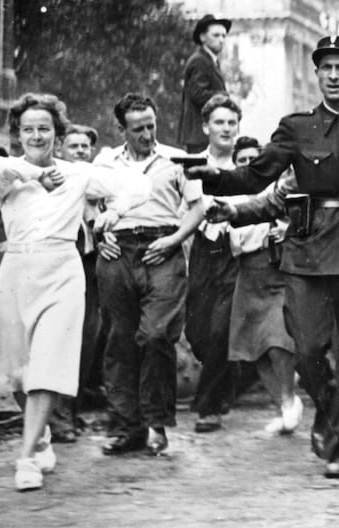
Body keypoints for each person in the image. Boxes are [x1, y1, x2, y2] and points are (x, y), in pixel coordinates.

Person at [187, 35, 339, 479]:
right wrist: (218, 179)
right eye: (325, 68)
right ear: (316, 74)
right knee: (306, 349)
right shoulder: (296, 127)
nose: (332, 76)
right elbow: (259, 173)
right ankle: (327, 415)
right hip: (308, 249)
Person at [0, 94, 150, 490]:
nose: (35, 135)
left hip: (62, 274)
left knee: (48, 364)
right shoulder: (7, 173)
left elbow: (138, 186)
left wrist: (113, 213)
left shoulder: (79, 174)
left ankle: (27, 457)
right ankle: (42, 435)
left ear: (57, 134)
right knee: (16, 375)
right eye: (27, 129)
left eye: (44, 128)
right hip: (16, 271)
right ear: (17, 134)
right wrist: (35, 176)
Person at [96, 93, 206, 459]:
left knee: (158, 335)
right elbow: (84, 201)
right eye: (138, 128)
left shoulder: (175, 159)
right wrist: (99, 235)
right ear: (121, 129)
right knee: (120, 340)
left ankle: (157, 423)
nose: (147, 134)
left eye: (151, 126)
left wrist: (174, 239)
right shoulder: (105, 161)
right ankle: (126, 428)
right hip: (117, 253)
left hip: (162, 249)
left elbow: (197, 207)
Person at [221, 135, 300, 435]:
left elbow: (302, 217)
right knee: (254, 348)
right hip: (246, 271)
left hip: (276, 268)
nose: (247, 165)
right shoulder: (228, 193)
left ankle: (290, 399)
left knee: (277, 339)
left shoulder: (276, 189)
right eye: (241, 161)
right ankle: (283, 405)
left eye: (252, 160)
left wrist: (287, 231)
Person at [187, 93, 243, 434]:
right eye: (219, 122)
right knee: (197, 330)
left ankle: (208, 408)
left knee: (220, 328)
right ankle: (228, 380)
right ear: (206, 126)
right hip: (199, 250)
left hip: (232, 252)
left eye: (231, 122)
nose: (225, 128)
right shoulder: (190, 165)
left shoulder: (246, 170)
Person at [48, 124, 105, 442]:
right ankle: (56, 419)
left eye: (86, 147)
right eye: (74, 146)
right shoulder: (56, 184)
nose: (82, 151)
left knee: (87, 342)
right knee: (62, 341)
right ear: (60, 150)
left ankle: (70, 411)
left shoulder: (97, 188)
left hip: (91, 269)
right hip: (61, 268)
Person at [179, 14, 231, 154]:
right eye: (216, 35)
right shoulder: (200, 61)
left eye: (223, 36)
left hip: (207, 133)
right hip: (200, 135)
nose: (221, 40)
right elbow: (198, 94)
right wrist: (223, 96)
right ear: (202, 37)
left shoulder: (210, 60)